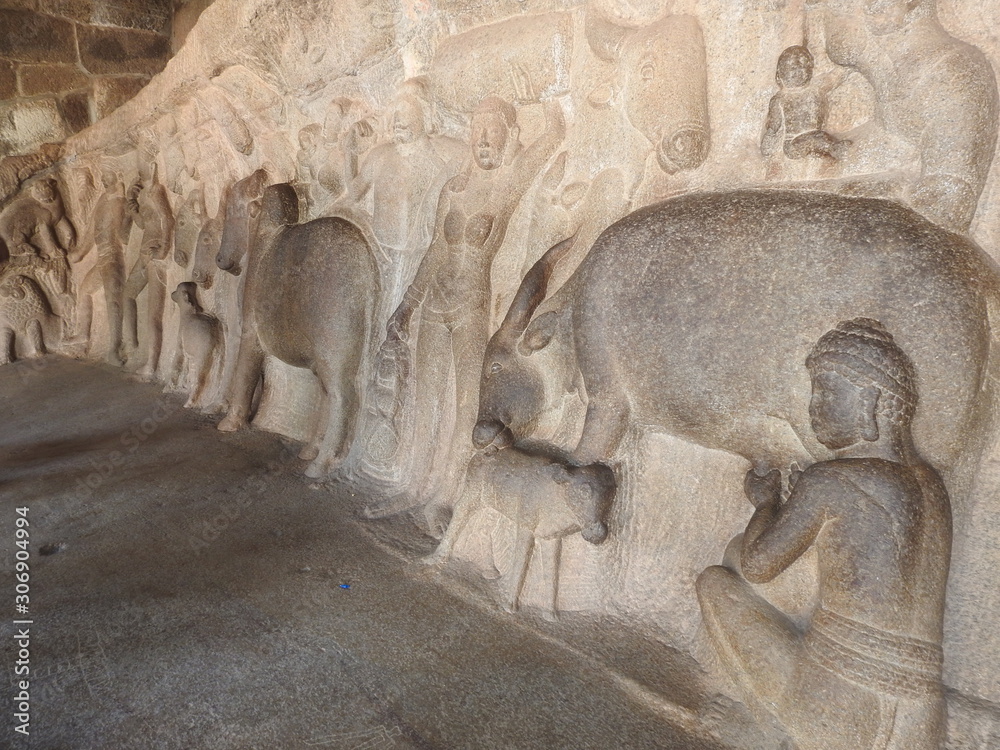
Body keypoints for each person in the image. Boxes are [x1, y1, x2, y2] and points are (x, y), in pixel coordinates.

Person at [697, 318, 951, 750]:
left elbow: (758, 566)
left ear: (869, 400)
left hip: (838, 700)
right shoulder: (933, 488)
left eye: (826, 391)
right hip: (923, 717)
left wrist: (766, 504)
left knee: (714, 583)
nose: (814, 406)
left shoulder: (832, 478)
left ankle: (775, 731)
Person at [368, 93, 566, 534]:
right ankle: (413, 485)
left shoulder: (506, 184)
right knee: (425, 397)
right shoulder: (452, 189)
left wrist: (548, 96)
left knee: (464, 407)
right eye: (478, 130)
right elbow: (435, 252)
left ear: (509, 136)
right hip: (436, 303)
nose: (484, 139)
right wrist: (406, 307)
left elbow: (552, 136)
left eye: (494, 131)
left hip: (471, 308)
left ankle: (445, 496)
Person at [68, 167, 132, 364]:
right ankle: (83, 334)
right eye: (103, 176)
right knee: (85, 290)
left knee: (113, 300)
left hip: (113, 258)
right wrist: (78, 253)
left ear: (118, 176)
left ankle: (114, 348)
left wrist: (128, 213)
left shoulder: (118, 202)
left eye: (108, 176)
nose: (104, 180)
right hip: (102, 258)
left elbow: (124, 237)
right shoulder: (103, 200)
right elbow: (90, 233)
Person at [122, 146, 175, 379]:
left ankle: (152, 366)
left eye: (143, 165)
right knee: (128, 295)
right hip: (145, 254)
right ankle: (132, 344)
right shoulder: (145, 195)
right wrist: (131, 203)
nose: (140, 170)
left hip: (154, 257)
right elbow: (144, 224)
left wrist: (163, 249)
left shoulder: (155, 192)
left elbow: (167, 219)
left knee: (154, 314)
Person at [761, 45, 850, 160]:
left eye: (803, 66)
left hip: (818, 136)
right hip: (793, 144)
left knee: (818, 137)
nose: (798, 71)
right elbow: (774, 127)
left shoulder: (817, 89)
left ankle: (831, 149)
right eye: (792, 67)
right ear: (780, 72)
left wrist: (846, 67)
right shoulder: (780, 99)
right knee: (815, 138)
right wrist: (767, 146)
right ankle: (834, 148)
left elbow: (834, 77)